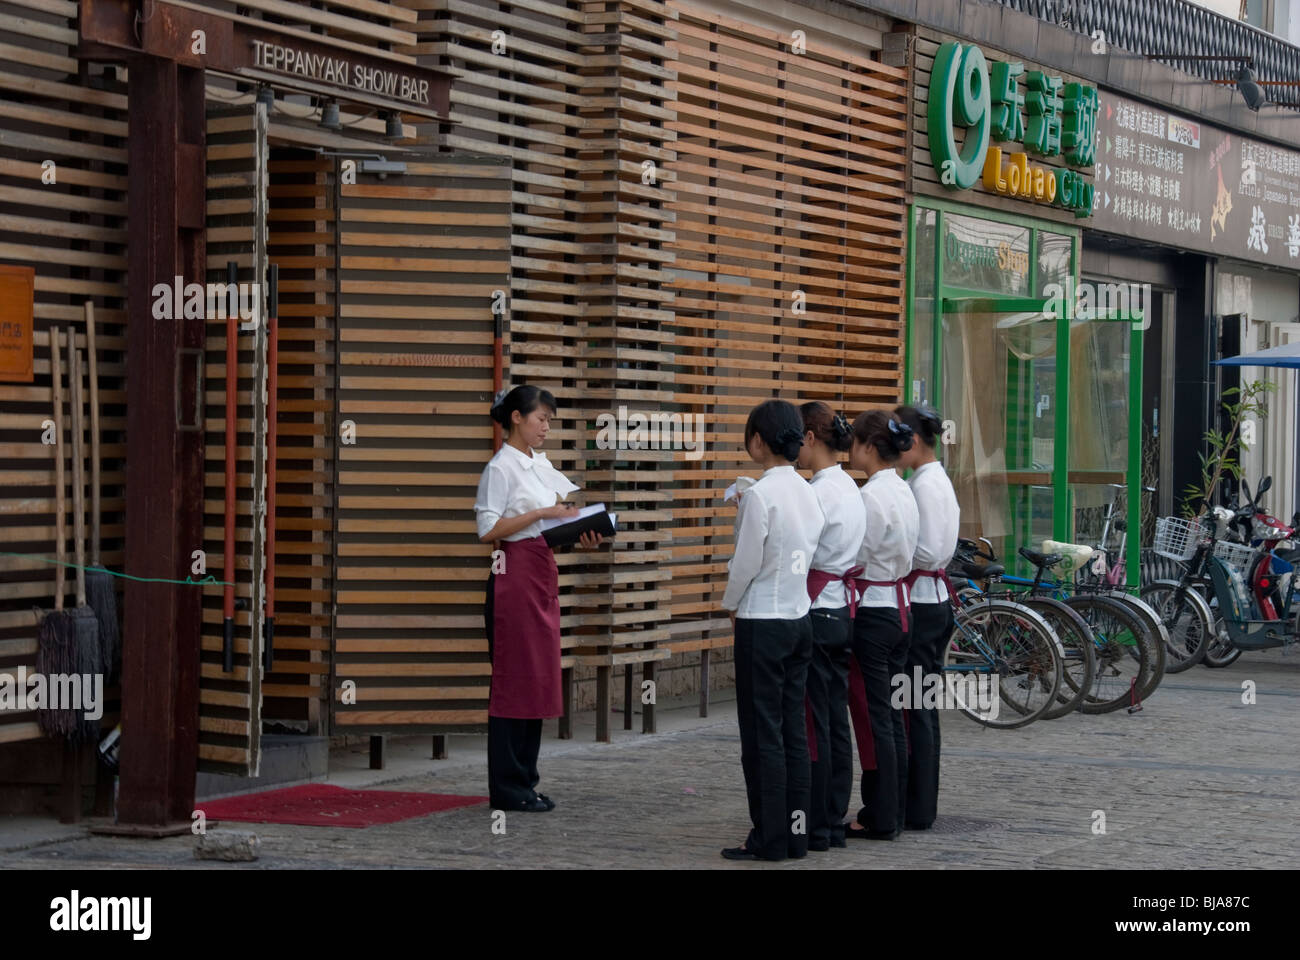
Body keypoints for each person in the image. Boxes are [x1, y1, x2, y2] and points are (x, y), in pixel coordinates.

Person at [474, 385, 602, 813]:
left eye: (549, 418)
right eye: (540, 417)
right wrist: (543, 514)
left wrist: (578, 535)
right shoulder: (501, 468)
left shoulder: (537, 465)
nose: (546, 426)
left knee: (536, 678)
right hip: (511, 576)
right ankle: (507, 788)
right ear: (516, 418)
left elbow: (544, 531)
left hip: (540, 572)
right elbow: (488, 530)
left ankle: (526, 781)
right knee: (514, 679)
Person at [720, 399, 825, 862]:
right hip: (799, 618)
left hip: (762, 620)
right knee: (793, 733)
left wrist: (729, 604)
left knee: (762, 736)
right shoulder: (809, 491)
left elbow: (746, 564)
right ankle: (795, 834)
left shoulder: (761, 495)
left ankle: (767, 837)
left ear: (758, 441)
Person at [843, 410, 919, 840]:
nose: (850, 449)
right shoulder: (903, 491)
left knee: (876, 717)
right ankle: (893, 807)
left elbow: (856, 556)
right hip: (899, 605)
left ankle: (880, 813)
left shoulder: (871, 497)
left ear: (869, 446)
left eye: (854, 442)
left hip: (873, 607)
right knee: (892, 716)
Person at [797, 402, 866, 852]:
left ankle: (819, 818)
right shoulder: (848, 486)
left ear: (808, 438)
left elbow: (798, 547)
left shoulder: (818, 492)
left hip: (819, 606)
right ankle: (834, 810)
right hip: (841, 606)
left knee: (816, 719)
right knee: (834, 717)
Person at [896, 404, 960, 831]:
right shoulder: (933, 480)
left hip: (923, 599)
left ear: (913, 442)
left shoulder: (924, 485)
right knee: (921, 704)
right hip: (932, 597)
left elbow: (926, 550)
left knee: (915, 704)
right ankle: (919, 803)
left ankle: (918, 806)